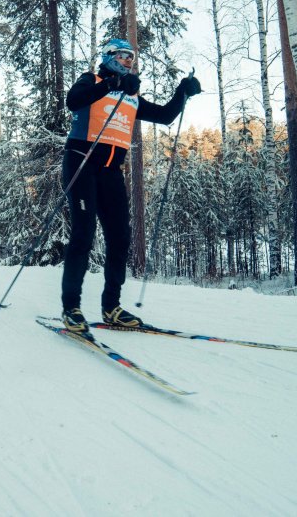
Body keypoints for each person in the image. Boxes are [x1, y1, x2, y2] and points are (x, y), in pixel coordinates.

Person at [60, 38, 201, 333]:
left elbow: (163, 116)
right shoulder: (92, 79)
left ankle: (111, 307)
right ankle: (71, 307)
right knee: (84, 235)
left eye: (132, 58)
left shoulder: (132, 93)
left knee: (120, 238)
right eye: (123, 56)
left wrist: (182, 92)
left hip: (111, 170)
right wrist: (111, 84)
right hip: (82, 163)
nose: (128, 61)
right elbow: (73, 101)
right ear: (109, 56)